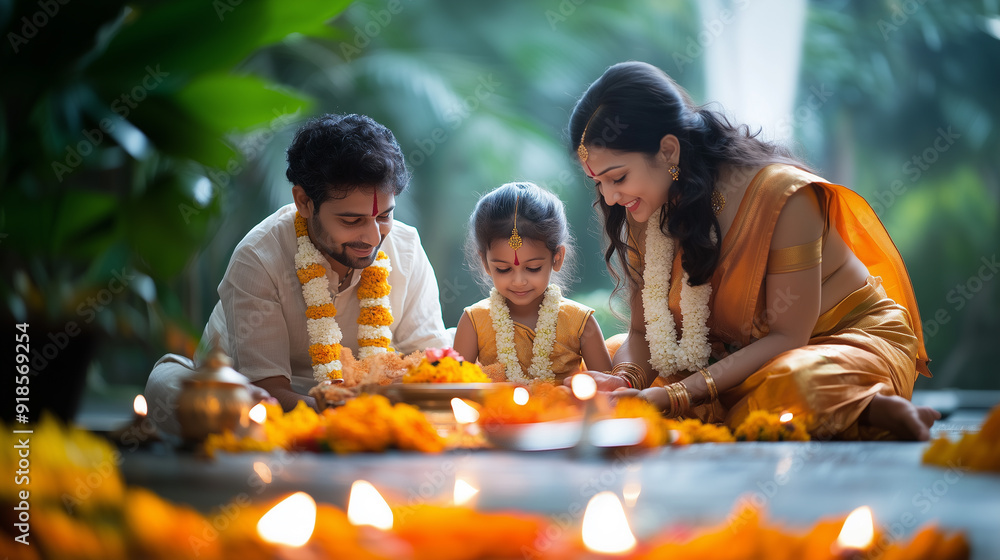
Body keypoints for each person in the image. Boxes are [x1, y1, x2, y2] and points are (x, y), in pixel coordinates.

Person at [568, 61, 940, 440]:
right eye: (598, 182)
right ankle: (829, 414)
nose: (609, 198)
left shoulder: (785, 197)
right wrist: (624, 381)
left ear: (667, 151)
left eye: (618, 177)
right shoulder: (645, 207)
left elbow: (787, 338)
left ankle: (869, 407)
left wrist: (676, 395)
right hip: (729, 359)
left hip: (836, 346)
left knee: (798, 380)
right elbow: (641, 332)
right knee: (599, 366)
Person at [146, 114, 450, 433]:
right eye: (351, 221)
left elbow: (430, 360)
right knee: (170, 387)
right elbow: (268, 390)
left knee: (461, 344)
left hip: (358, 401)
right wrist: (350, 413)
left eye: (384, 216)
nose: (374, 237)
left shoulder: (406, 248)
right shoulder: (259, 257)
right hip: (256, 396)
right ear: (304, 201)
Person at [453, 182, 613, 384]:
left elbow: (609, 390)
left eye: (533, 268)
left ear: (557, 257)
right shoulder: (474, 322)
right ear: (485, 262)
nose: (519, 281)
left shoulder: (579, 322)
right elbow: (453, 389)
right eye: (503, 269)